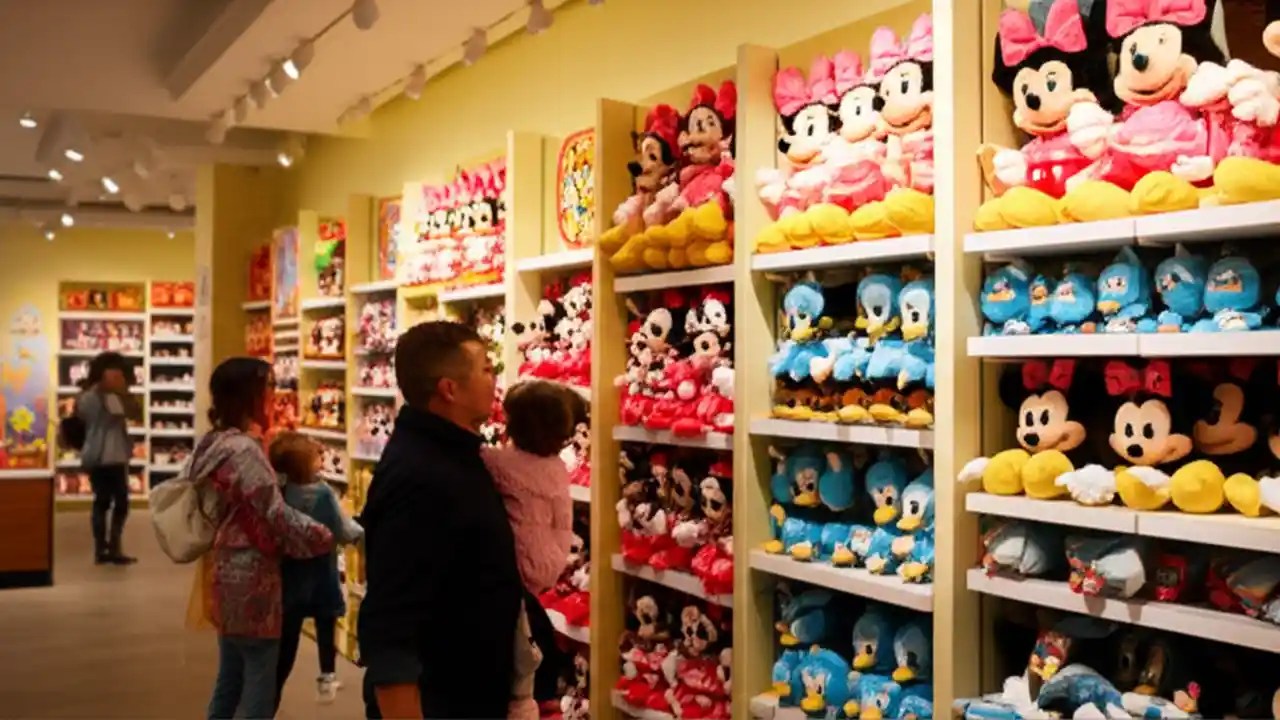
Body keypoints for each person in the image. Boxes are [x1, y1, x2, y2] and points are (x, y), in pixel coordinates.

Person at [358, 321, 522, 719]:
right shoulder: (422, 476)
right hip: (442, 699)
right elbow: (392, 619)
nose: (494, 379)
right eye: (486, 369)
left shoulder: (450, 454)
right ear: (450, 389)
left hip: (468, 691)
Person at [195, 357, 335, 720]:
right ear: (250, 394)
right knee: (260, 680)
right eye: (270, 387)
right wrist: (323, 534)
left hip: (225, 570)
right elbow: (274, 514)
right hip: (253, 576)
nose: (275, 395)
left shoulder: (213, 443)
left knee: (229, 676)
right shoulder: (245, 451)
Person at [482, 380, 586, 720]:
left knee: (517, 646)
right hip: (551, 561)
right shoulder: (556, 468)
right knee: (530, 631)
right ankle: (541, 697)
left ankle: (525, 701)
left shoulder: (501, 464)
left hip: (519, 562)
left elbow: (474, 459)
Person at [268, 432, 364, 709]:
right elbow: (343, 529)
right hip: (321, 573)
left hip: (290, 576)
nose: (321, 458)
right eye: (316, 456)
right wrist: (361, 533)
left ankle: (273, 690)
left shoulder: (281, 493)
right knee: (325, 623)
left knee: (288, 636)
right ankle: (326, 676)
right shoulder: (323, 493)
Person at [77, 351, 136, 564]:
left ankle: (112, 547)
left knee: (117, 503)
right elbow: (90, 417)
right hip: (101, 456)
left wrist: (124, 393)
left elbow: (134, 413)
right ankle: (104, 548)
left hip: (116, 456)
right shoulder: (91, 397)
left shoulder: (116, 397)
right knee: (105, 502)